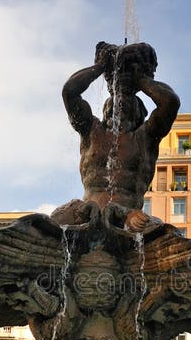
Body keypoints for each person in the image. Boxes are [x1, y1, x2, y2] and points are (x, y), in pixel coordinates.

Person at [59, 41, 180, 230]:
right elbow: (70, 92)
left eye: (128, 105)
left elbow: (170, 102)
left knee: (160, 232)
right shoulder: (91, 130)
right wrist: (100, 67)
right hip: (85, 215)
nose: (118, 108)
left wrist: (139, 78)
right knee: (42, 224)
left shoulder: (146, 138)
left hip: (129, 220)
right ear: (104, 110)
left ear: (140, 114)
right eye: (113, 105)